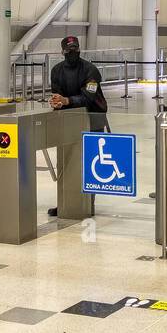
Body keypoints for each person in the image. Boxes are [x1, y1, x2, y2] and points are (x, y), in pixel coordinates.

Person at [47, 35, 108, 216]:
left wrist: (66, 100)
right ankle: (67, 202)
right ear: (63, 51)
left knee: (90, 163)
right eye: (69, 49)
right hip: (68, 120)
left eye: (75, 49)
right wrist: (57, 101)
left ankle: (87, 203)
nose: (72, 52)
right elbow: (57, 93)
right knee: (66, 161)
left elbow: (89, 97)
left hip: (93, 119)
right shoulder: (56, 70)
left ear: (79, 49)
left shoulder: (91, 71)